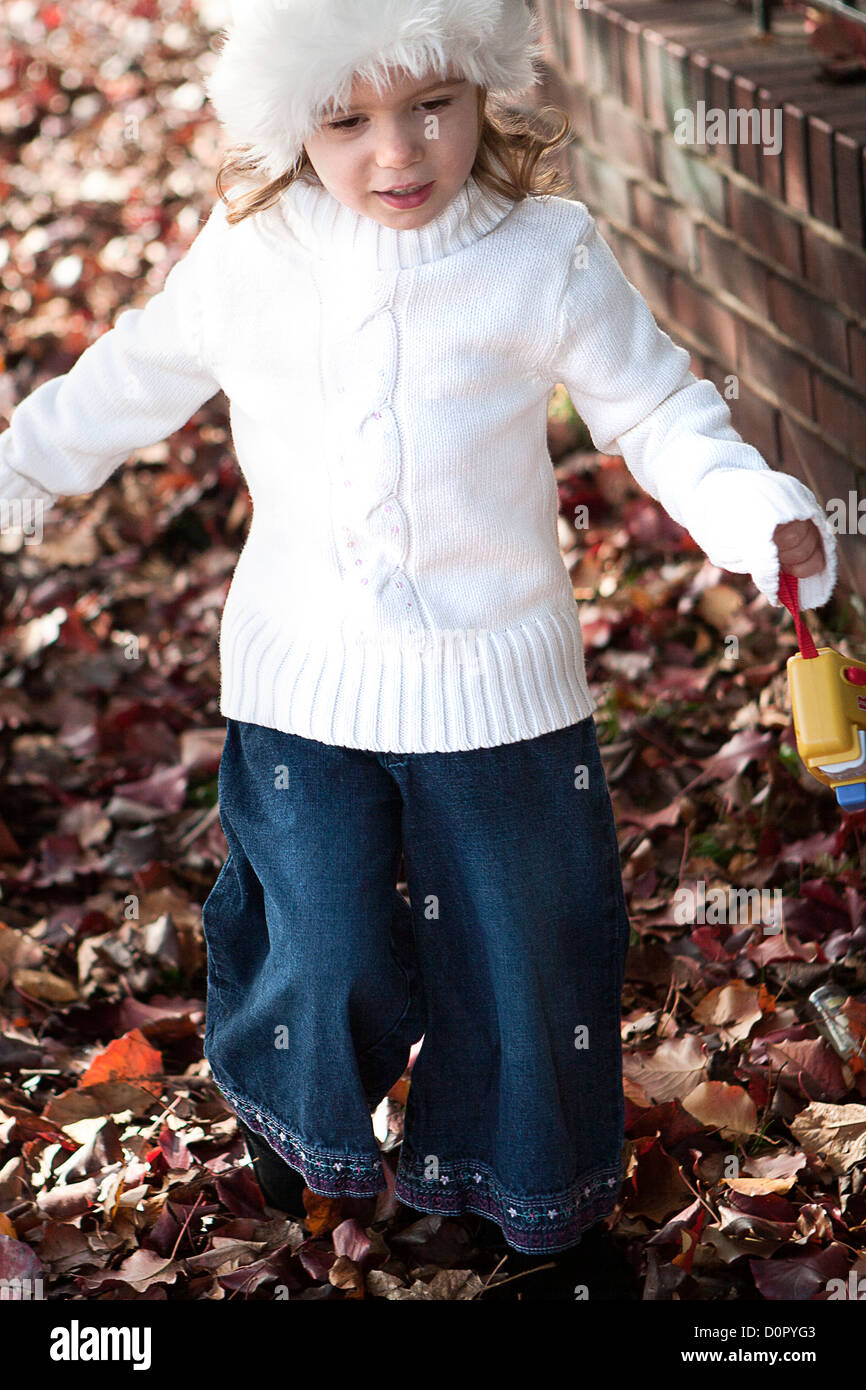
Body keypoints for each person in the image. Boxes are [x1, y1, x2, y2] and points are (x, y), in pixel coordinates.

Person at [0, 0, 835, 1278]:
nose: (399, 153)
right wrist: (18, 475)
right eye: (347, 119)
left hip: (498, 694)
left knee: (521, 949)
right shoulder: (252, 254)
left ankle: (517, 1197)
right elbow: (127, 380)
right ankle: (299, 1131)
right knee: (322, 938)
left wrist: (747, 508)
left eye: (431, 105)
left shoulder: (541, 252)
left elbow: (658, 405)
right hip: (301, 685)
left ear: (483, 86)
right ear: (289, 120)